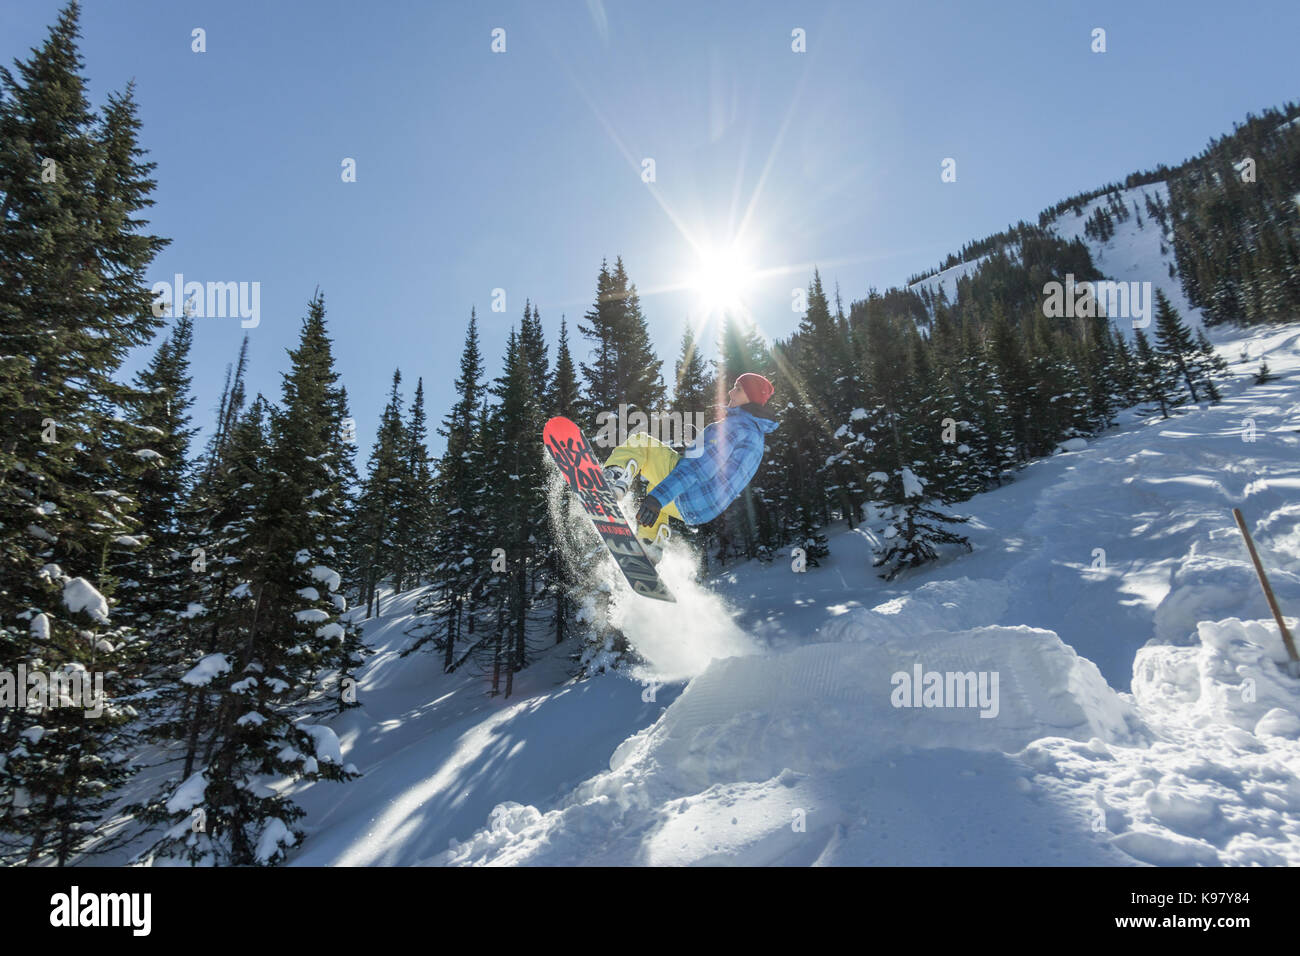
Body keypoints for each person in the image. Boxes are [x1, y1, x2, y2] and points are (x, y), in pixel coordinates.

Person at [602, 372, 778, 557]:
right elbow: (722, 469)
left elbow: (697, 469)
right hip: (701, 509)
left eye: (738, 389)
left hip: (691, 492)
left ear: (751, 398)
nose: (731, 392)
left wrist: (658, 499)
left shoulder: (735, 426)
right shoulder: (756, 437)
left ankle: (614, 480)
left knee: (640, 442)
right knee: (654, 486)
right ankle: (649, 545)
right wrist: (697, 443)